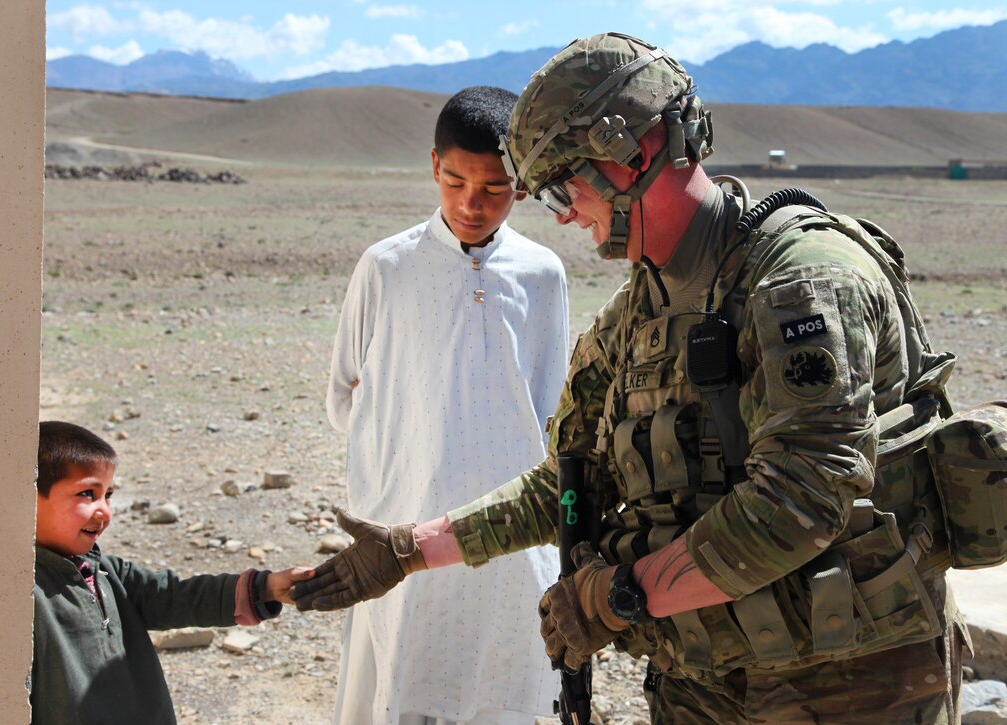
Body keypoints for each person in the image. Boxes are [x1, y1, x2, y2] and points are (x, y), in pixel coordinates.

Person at [293, 33, 972, 724]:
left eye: (565, 184)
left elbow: (804, 497)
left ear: (636, 156)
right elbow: (565, 481)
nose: (560, 213)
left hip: (854, 686)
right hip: (703, 683)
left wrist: (620, 595)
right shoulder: (634, 316)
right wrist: (411, 550)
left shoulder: (801, 278)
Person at [324, 85, 568, 725]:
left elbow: (548, 404)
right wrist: (403, 458)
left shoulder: (543, 274)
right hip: (402, 515)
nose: (470, 203)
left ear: (521, 183)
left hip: (511, 525)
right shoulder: (386, 266)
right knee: (403, 678)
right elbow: (345, 391)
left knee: (505, 675)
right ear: (435, 166)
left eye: (494, 188)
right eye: (456, 180)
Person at [29, 420, 314, 725]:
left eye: (108, 495)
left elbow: (172, 595)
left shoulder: (106, 572)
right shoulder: (26, 594)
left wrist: (267, 587)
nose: (104, 511)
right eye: (87, 493)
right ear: (29, 498)